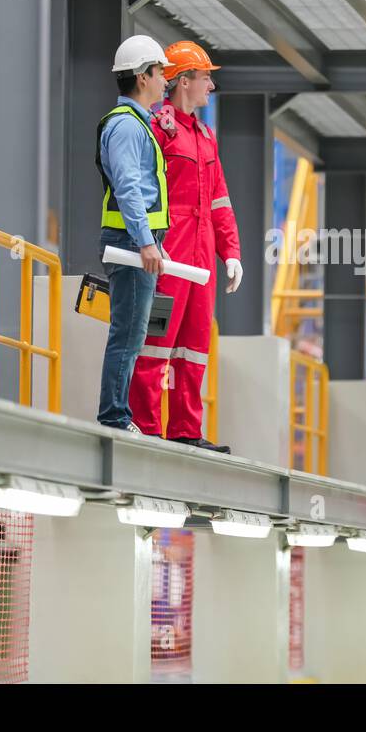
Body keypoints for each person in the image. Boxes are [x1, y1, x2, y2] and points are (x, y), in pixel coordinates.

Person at [129, 40, 242, 453]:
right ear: (183, 81)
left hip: (200, 259)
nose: (211, 85)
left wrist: (231, 252)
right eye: (205, 77)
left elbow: (219, 200)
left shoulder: (205, 137)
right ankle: (144, 424)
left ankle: (186, 430)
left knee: (194, 347)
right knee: (155, 341)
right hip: (168, 254)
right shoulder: (159, 129)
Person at [95, 35, 172, 434]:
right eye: (161, 73)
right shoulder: (126, 127)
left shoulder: (137, 124)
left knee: (133, 332)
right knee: (127, 332)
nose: (165, 82)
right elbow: (128, 186)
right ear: (143, 77)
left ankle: (118, 414)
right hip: (129, 243)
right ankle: (114, 417)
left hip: (137, 241)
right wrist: (144, 241)